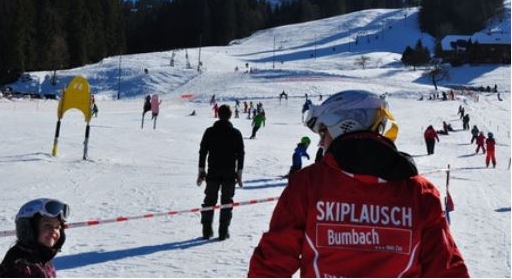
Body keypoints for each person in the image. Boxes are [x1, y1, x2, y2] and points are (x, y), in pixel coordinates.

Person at [249, 90, 469, 277]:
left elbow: (271, 263)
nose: (321, 141)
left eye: (323, 132)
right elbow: (446, 269)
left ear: (343, 127)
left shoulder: (307, 185)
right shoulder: (420, 193)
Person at [197, 105, 244, 240]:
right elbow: (241, 154)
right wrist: (239, 172)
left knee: (209, 201)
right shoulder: (236, 133)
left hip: (213, 172)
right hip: (229, 173)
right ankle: (223, 232)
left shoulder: (209, 131)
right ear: (230, 116)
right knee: (227, 202)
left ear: (218, 114)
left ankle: (206, 231)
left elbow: (203, 151)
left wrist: (201, 170)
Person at [0, 198, 68, 278]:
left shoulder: (44, 259)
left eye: (57, 227)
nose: (54, 231)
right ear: (27, 230)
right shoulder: (19, 266)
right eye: (47, 225)